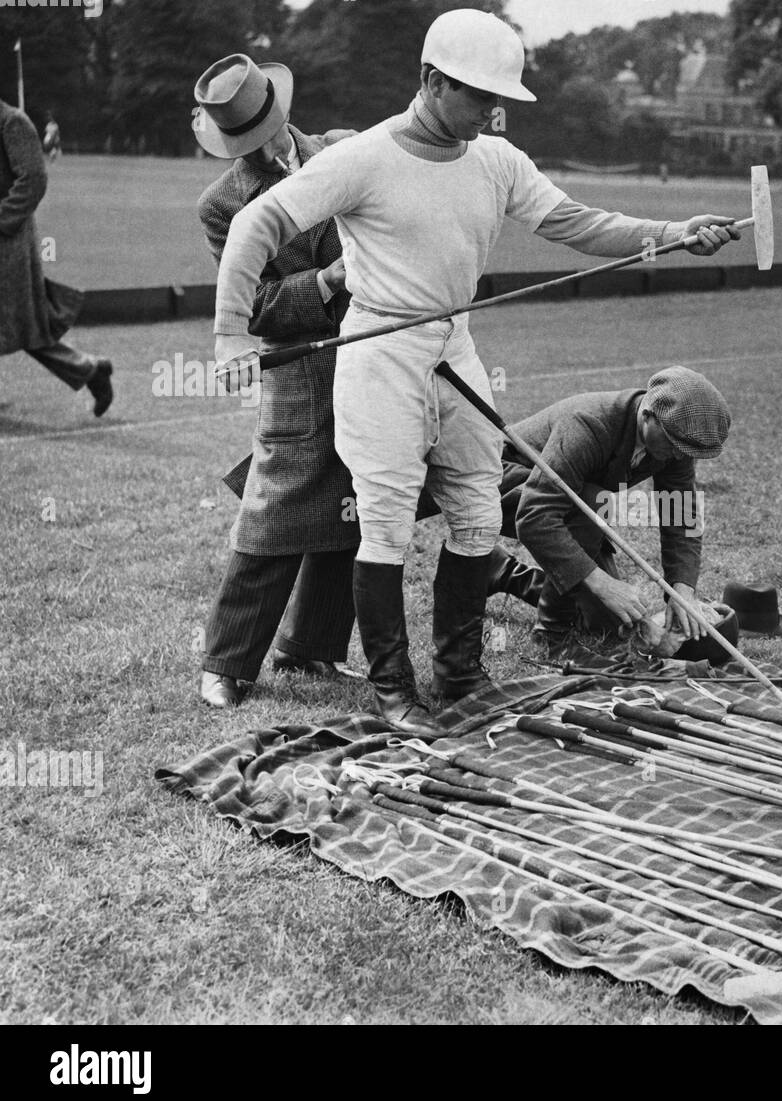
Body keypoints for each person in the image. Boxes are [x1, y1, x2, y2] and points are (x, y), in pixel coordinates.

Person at [212, 8, 741, 737]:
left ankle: (460, 672)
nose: (494, 112)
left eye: (501, 99)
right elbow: (253, 226)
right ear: (430, 81)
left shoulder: (496, 160)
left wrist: (669, 235)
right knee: (389, 524)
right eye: (480, 96)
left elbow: (574, 220)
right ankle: (393, 687)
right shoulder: (363, 158)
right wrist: (227, 333)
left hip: (454, 347)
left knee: (474, 510)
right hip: (379, 352)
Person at [192, 55, 358, 709]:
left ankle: (312, 647)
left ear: (280, 112)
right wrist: (328, 280)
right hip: (298, 367)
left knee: (356, 503)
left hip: (375, 360)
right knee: (275, 509)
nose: (259, 149)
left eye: (262, 129)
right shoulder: (222, 205)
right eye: (243, 141)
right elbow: (253, 307)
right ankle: (226, 662)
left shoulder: (346, 152)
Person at [483, 367, 730, 651]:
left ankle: (501, 571)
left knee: (610, 621)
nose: (679, 455)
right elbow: (535, 516)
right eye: (675, 445)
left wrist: (681, 591)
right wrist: (602, 584)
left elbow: (681, 515)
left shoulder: (675, 443)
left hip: (577, 503)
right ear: (648, 414)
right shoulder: (587, 423)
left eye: (687, 450)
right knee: (593, 503)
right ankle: (553, 632)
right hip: (502, 479)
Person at [0, 98, 112, 416]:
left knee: (24, 325)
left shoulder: (12, 122)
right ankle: (89, 369)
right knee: (23, 325)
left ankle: (90, 370)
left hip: (8, 245)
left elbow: (33, 179)